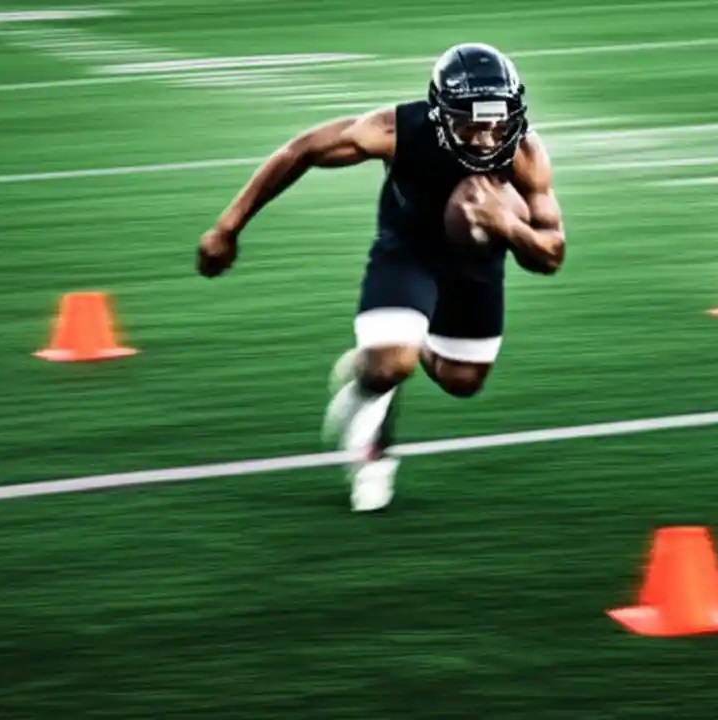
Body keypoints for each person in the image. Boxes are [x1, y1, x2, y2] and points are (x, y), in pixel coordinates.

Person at [196, 42, 566, 512]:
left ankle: (379, 357)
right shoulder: (398, 130)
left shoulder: (526, 153)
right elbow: (302, 150)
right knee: (393, 364)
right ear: (440, 115)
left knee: (463, 380)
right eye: (471, 122)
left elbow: (551, 256)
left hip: (475, 267)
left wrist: (507, 226)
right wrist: (228, 227)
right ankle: (375, 435)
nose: (487, 138)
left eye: (498, 122)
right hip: (406, 254)